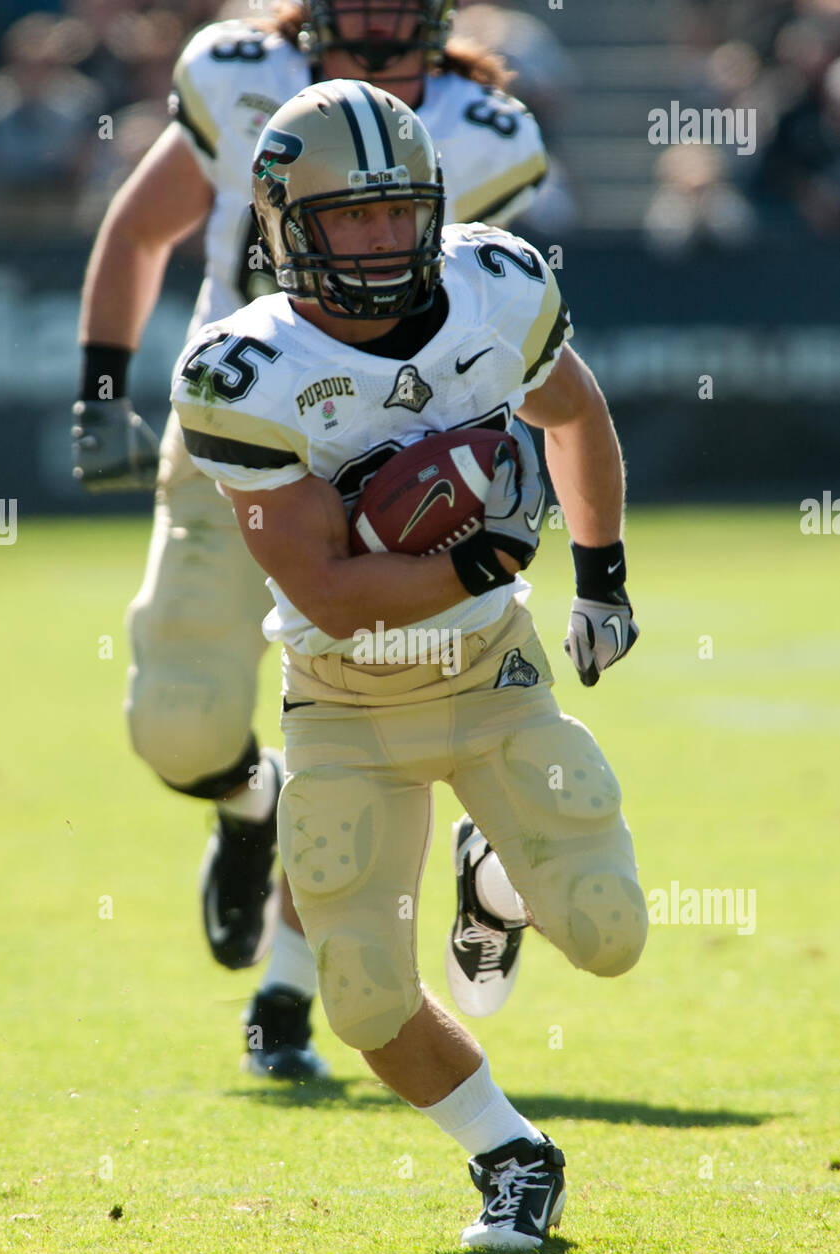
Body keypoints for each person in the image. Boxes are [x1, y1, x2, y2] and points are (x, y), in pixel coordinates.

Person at [170, 77, 647, 1249]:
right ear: (287, 227)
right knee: (363, 993)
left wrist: (600, 575)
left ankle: (498, 881)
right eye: (351, 219)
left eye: (399, 213)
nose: (382, 241)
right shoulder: (243, 371)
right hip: (342, 701)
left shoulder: (497, 284)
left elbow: (574, 415)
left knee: (608, 929)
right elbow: (326, 588)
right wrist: (488, 554)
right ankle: (511, 1154)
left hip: (491, 675)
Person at [71, 1, 549, 1081]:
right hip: (238, 439)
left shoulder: (486, 129)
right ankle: (252, 799)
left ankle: (287, 996)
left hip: (392, 462)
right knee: (177, 728)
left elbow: (496, 318)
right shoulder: (238, 75)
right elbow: (145, 228)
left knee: (372, 724)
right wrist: (101, 387)